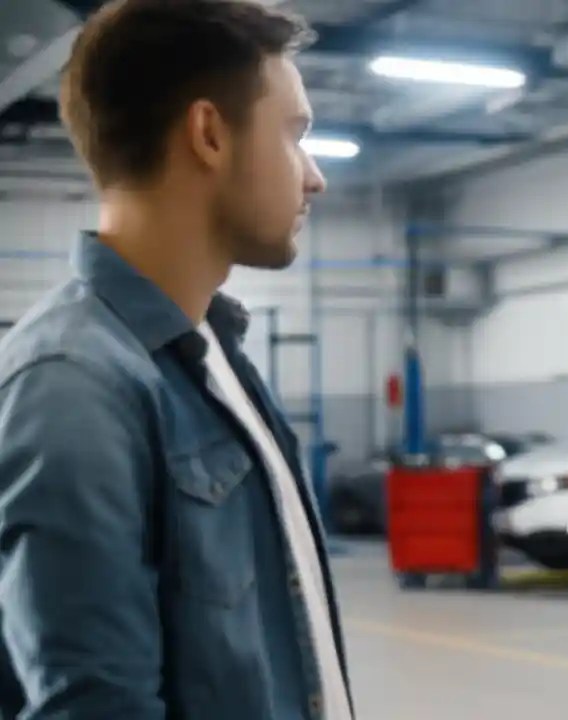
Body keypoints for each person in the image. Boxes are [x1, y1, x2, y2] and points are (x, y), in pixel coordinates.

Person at [0, 1, 353, 718]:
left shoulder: (214, 353)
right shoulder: (73, 387)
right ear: (209, 134)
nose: (314, 177)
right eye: (294, 136)